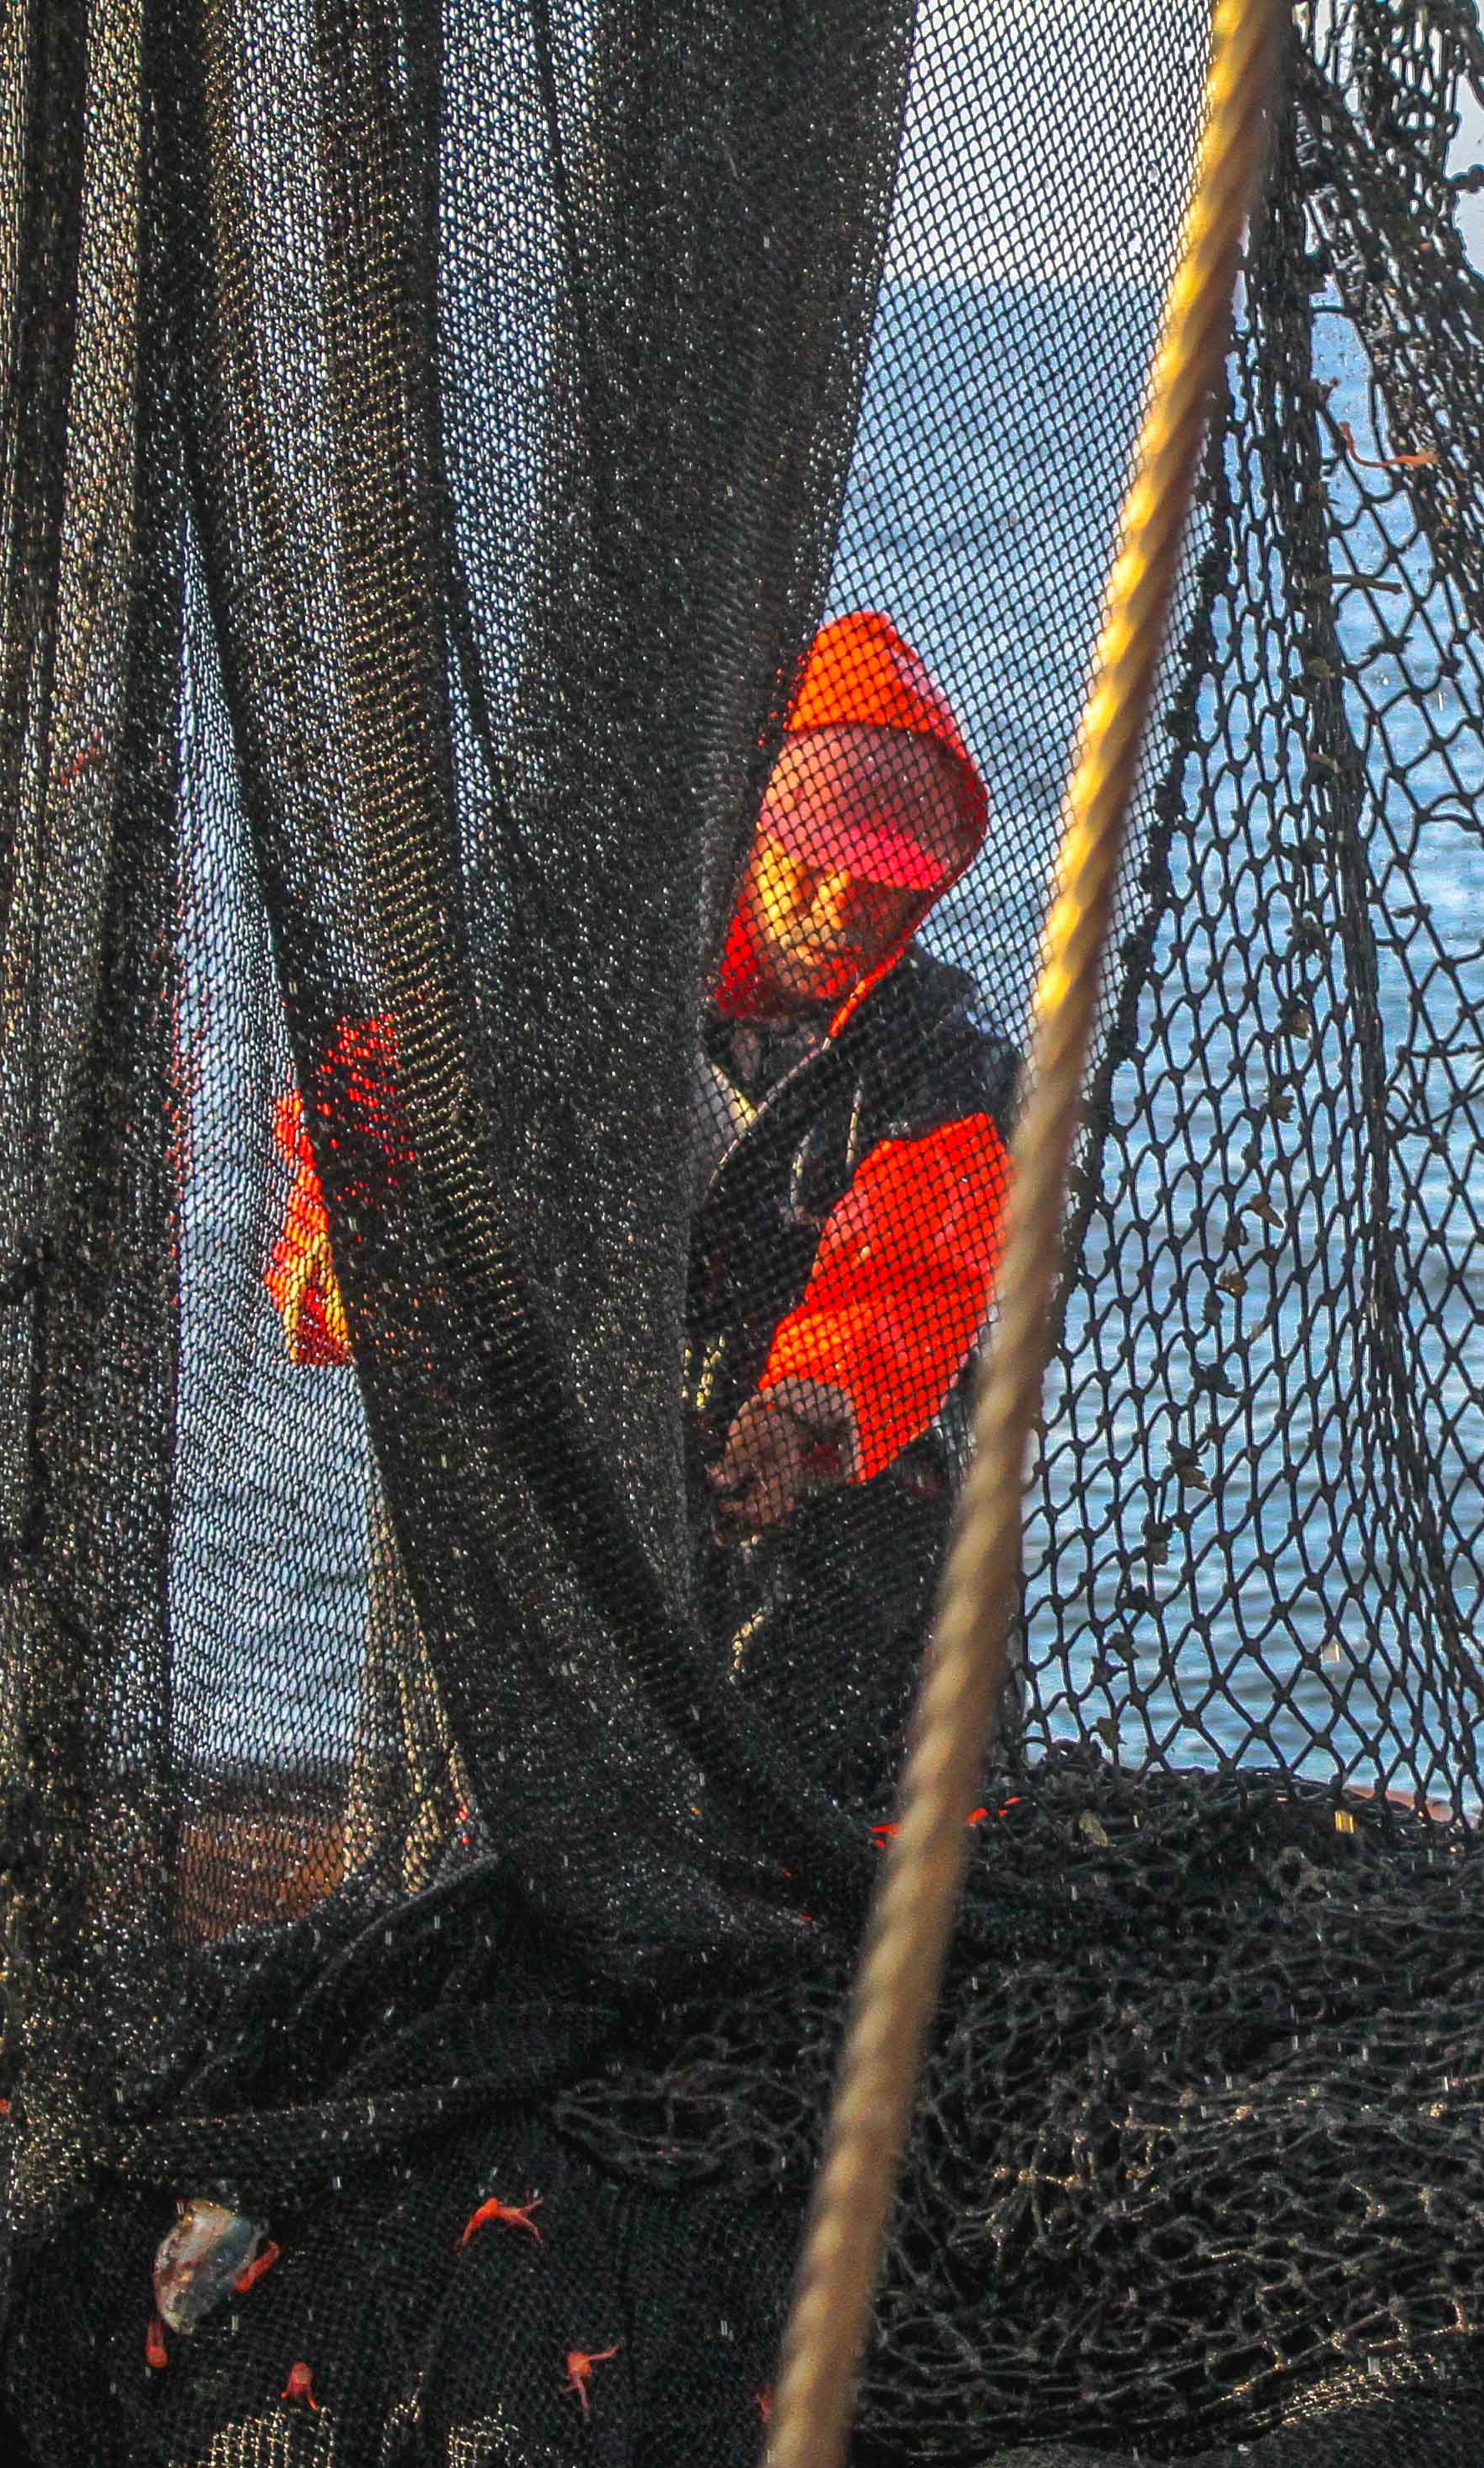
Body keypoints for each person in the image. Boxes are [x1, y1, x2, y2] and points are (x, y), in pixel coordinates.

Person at [268, 609, 1021, 1805]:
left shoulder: (944, 1068)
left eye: (884, 885)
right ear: (747, 825)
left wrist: (815, 1414)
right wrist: (342, 1245)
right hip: (579, 1491)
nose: (840, 908)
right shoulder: (585, 965)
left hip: (831, 1556)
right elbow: (375, 1082)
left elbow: (917, 1280)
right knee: (528, 1806)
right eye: (813, 860)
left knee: (832, 1836)